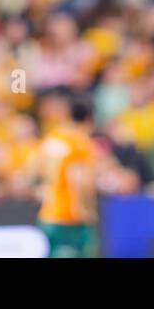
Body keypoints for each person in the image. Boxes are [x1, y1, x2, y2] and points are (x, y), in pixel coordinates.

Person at [35, 94, 99, 258]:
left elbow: (37, 170)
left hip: (48, 214)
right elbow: (78, 179)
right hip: (70, 218)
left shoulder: (52, 137)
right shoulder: (79, 141)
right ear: (89, 119)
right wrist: (86, 211)